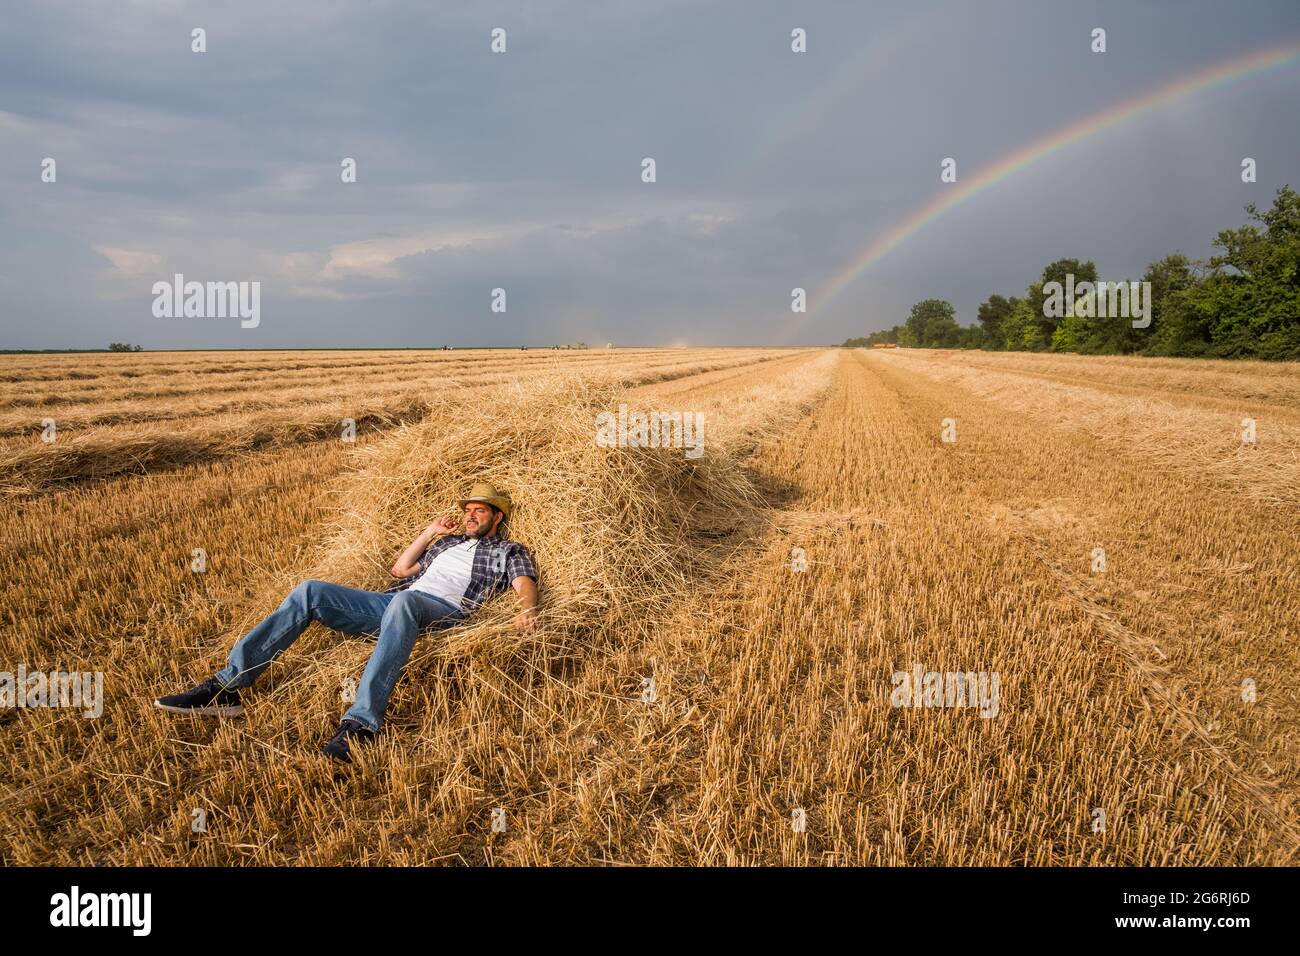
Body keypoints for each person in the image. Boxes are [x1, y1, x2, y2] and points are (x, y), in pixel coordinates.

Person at [154, 482, 538, 763]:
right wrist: (429, 533)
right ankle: (229, 686)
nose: (471, 516)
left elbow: (524, 581)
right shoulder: (445, 544)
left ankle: (361, 724)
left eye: (480, 511)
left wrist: (526, 609)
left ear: (497, 517)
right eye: (468, 510)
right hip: (394, 602)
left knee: (405, 601)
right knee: (310, 591)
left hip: (442, 611)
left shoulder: (507, 550)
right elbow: (400, 569)